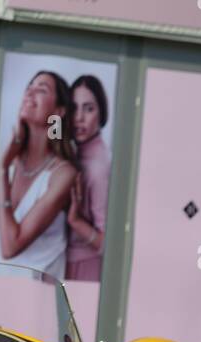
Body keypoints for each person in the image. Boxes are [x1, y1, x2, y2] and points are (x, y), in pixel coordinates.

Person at [0, 71, 78, 278]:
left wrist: (1, 169)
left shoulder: (62, 174)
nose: (30, 91)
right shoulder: (9, 164)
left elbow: (10, 247)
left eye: (42, 89)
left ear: (59, 111)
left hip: (33, 300)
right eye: (30, 86)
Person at [65, 74, 111, 282]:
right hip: (66, 265)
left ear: (101, 114)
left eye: (89, 108)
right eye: (74, 108)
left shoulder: (97, 168)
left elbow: (107, 243)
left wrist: (75, 221)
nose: (79, 117)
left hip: (85, 270)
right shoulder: (75, 154)